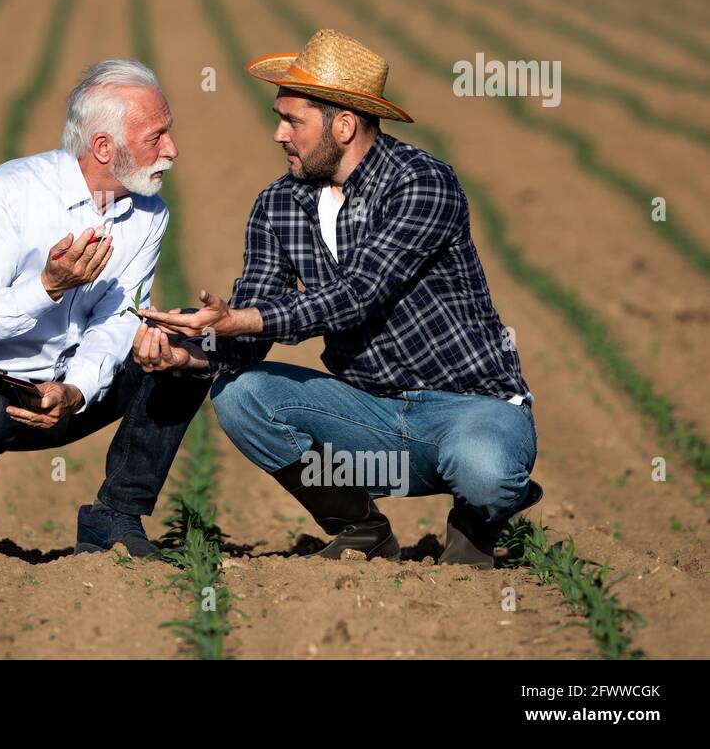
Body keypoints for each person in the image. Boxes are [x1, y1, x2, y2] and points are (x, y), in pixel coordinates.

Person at [134, 29, 541, 568]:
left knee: (486, 472)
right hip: (372, 417)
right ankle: (361, 527)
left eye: (292, 120)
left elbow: (358, 295)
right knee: (242, 395)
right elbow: (251, 333)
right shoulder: (278, 205)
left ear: (343, 125)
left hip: (470, 407)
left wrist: (239, 320)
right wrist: (188, 351)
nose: (279, 133)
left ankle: (482, 509)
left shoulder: (422, 182)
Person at [0, 60, 210, 558]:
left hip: (61, 392)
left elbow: (117, 319)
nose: (171, 150)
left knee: (184, 347)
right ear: (104, 147)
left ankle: (116, 517)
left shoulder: (148, 215)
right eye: (156, 136)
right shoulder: (11, 192)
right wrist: (48, 287)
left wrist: (75, 389)